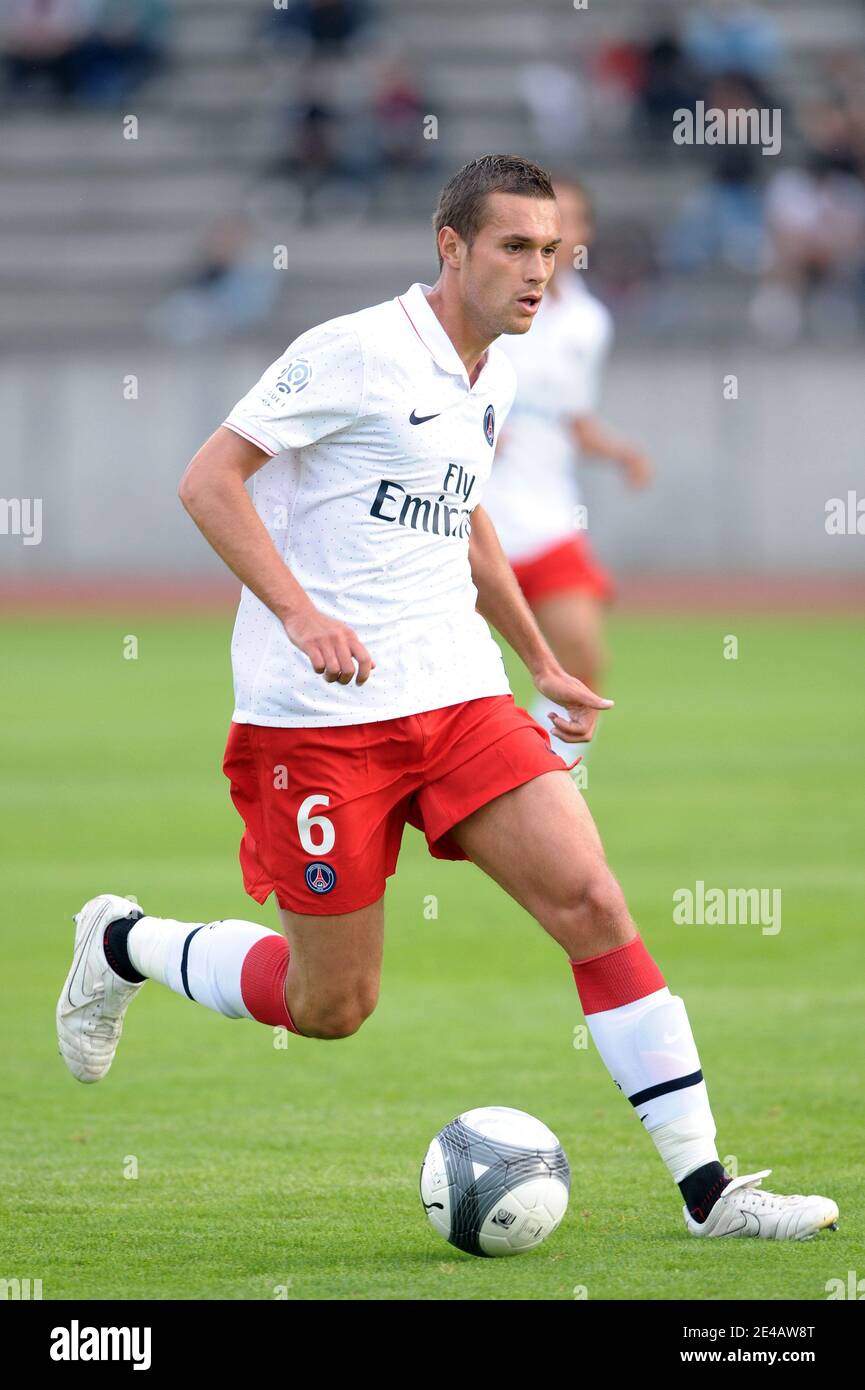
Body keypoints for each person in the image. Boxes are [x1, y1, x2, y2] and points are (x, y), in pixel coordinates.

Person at [56, 154, 838, 1242]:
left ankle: (709, 1190)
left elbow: (467, 517)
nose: (538, 272)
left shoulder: (497, 374)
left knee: (592, 902)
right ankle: (123, 943)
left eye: (552, 251)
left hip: (457, 696)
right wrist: (299, 613)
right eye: (515, 247)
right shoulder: (354, 353)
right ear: (451, 246)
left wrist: (537, 661)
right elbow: (207, 481)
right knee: (333, 1007)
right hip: (318, 721)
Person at [483, 177, 651, 763]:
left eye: (567, 221)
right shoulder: (480, 300)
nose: (552, 235)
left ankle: (543, 774)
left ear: (583, 235)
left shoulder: (587, 322)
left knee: (582, 656)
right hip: (468, 518)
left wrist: (621, 451)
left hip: (546, 513)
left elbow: (573, 420)